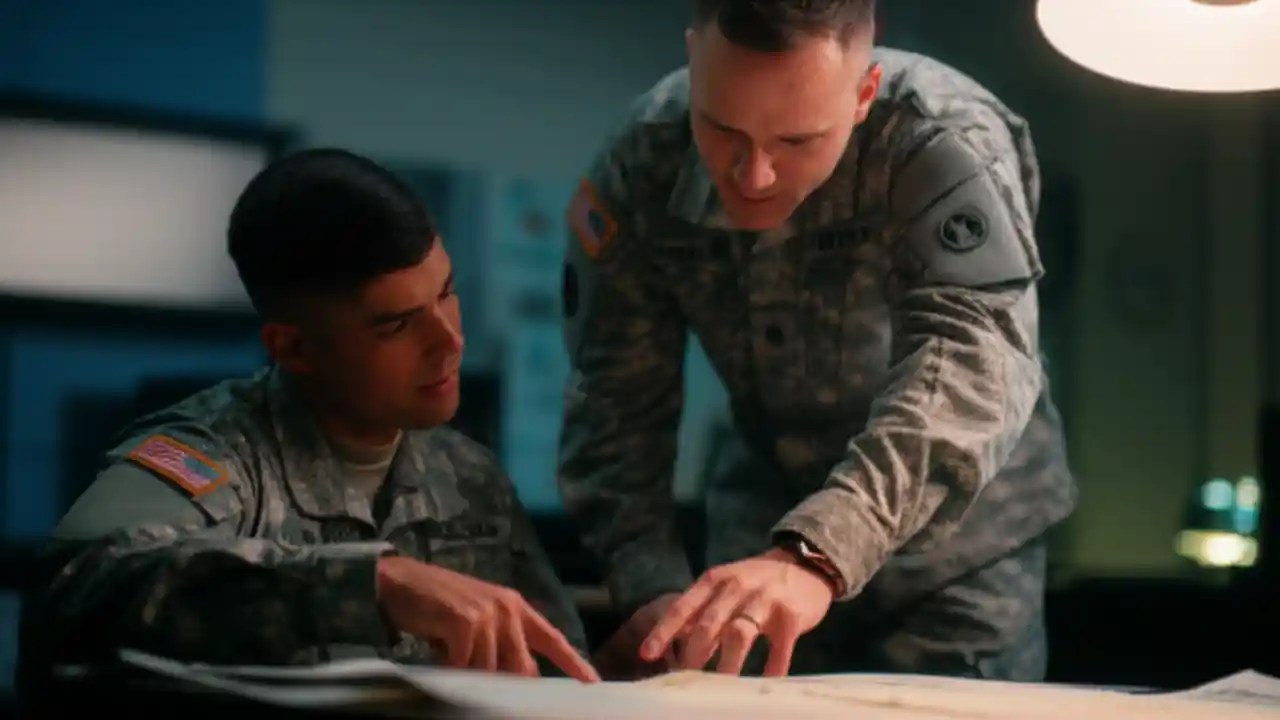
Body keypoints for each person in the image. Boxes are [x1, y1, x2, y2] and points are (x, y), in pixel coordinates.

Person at [560, 0, 1077, 682]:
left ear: (864, 92)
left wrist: (819, 553)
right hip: (758, 526)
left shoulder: (939, 134)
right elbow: (614, 400)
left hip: (958, 551)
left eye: (797, 141)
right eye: (722, 130)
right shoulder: (641, 160)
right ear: (693, 57)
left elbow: (972, 361)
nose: (753, 177)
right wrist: (650, 588)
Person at [17, 148, 600, 702]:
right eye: (397, 324)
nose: (449, 342)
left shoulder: (471, 476)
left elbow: (558, 666)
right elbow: (74, 590)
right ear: (295, 348)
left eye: (446, 294)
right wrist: (369, 584)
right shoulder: (216, 456)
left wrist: (644, 655)